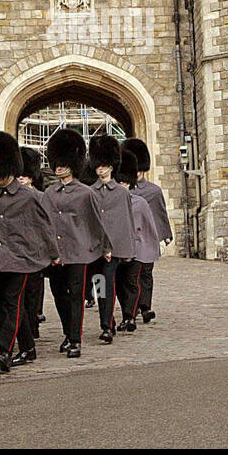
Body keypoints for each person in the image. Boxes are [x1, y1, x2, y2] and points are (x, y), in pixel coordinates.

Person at [0, 131, 59, 371]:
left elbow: (44, 227)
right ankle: (28, 347)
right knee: (8, 304)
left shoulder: (29, 196)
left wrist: (53, 254)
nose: (0, 179)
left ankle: (4, 349)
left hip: (23, 261)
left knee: (12, 303)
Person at [43, 129, 107, 358]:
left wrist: (104, 248)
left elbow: (95, 223)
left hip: (79, 253)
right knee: (59, 295)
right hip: (56, 253)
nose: (58, 166)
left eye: (63, 162)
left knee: (76, 296)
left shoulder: (85, 193)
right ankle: (67, 333)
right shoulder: (48, 194)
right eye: (56, 162)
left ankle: (75, 340)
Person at [88, 134, 134, 339]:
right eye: (98, 165)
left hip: (114, 249)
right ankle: (107, 322)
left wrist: (126, 250)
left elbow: (126, 222)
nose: (100, 169)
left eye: (104, 165)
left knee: (109, 283)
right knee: (100, 287)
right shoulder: (90, 192)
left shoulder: (122, 193)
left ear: (111, 166)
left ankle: (107, 325)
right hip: (96, 249)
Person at [122, 138, 173, 322]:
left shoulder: (153, 191)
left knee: (146, 274)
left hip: (148, 238)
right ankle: (132, 308)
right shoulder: (123, 190)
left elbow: (160, 213)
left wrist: (166, 234)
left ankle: (145, 307)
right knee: (130, 276)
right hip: (130, 238)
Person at [115, 150, 158, 331]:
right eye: (120, 181)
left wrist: (151, 250)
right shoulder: (111, 202)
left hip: (138, 249)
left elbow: (149, 228)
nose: (122, 185)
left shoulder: (140, 202)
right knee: (120, 284)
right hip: (118, 249)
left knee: (132, 283)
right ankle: (128, 314)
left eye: (125, 181)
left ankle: (129, 317)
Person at [18, 146, 49, 335]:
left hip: (35, 251)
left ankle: (33, 324)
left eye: (25, 174)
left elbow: (45, 225)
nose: (21, 177)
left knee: (32, 293)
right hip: (18, 252)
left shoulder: (40, 197)